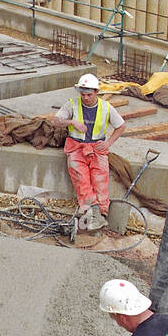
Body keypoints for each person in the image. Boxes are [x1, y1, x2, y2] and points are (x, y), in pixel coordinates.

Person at [52, 73, 125, 231]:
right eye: (83, 94)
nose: (85, 98)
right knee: (81, 177)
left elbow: (121, 126)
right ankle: (90, 210)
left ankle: (101, 213)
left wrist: (108, 143)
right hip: (76, 147)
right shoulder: (72, 104)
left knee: (100, 178)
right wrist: (71, 122)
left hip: (97, 148)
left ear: (96, 92)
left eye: (89, 94)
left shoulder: (106, 107)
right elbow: (55, 121)